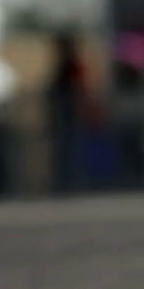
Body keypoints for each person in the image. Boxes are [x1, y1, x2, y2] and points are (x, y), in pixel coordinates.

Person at [47, 30, 89, 195]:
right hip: (63, 112)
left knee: (69, 147)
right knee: (63, 148)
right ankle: (66, 181)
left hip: (69, 111)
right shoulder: (64, 64)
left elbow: (78, 88)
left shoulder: (72, 64)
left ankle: (70, 182)